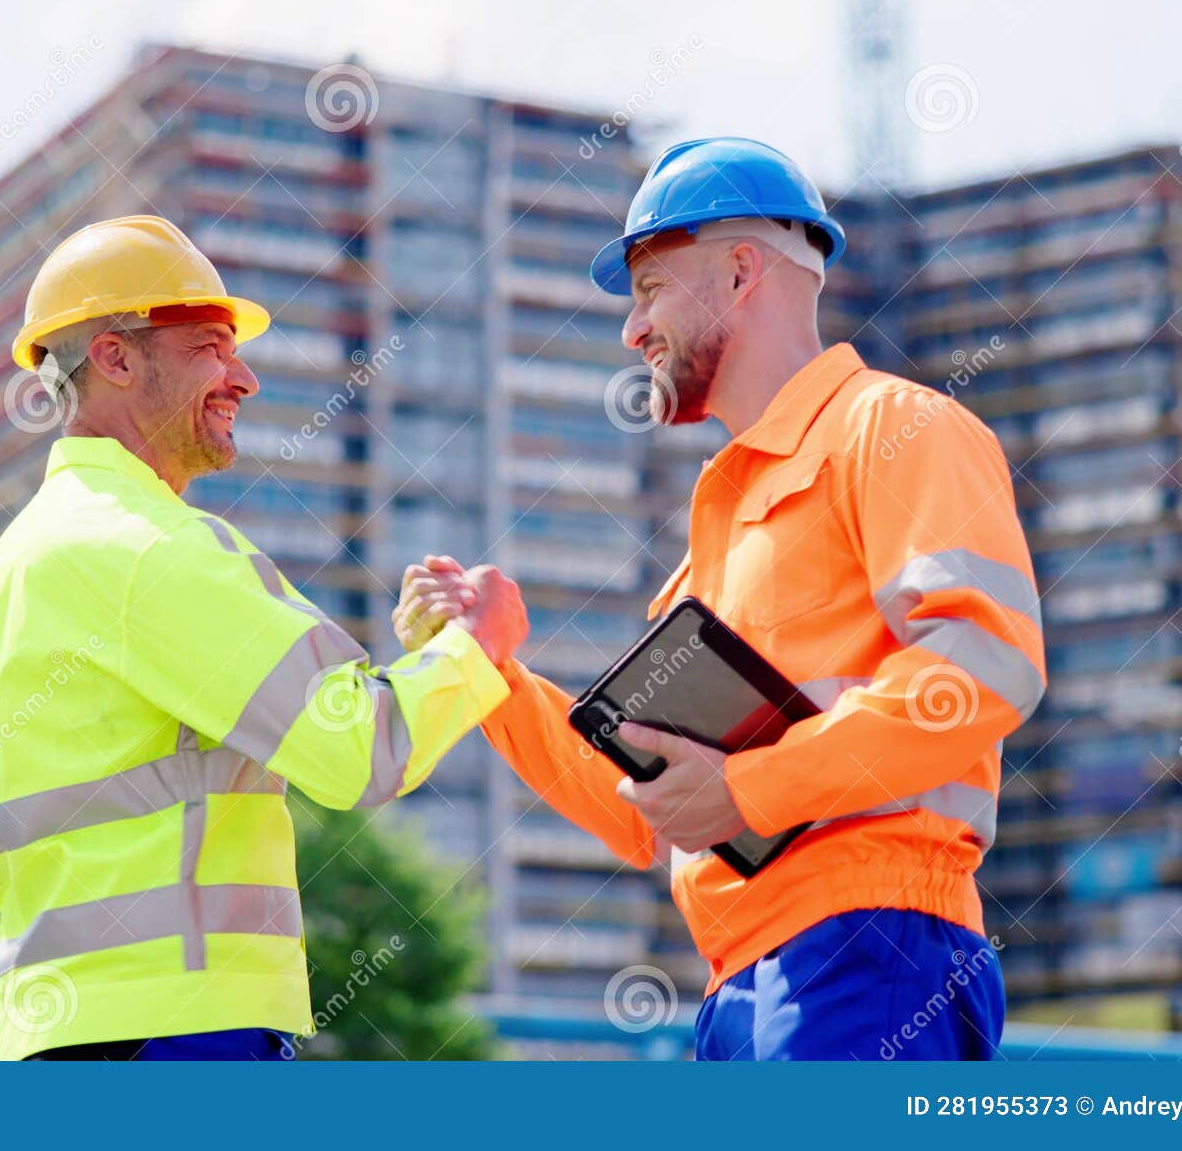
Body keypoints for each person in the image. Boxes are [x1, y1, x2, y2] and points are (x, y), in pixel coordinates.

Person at [395, 139, 1045, 1060]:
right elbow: (641, 807)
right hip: (741, 978)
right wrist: (493, 670)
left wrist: (747, 788)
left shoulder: (895, 430)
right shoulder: (715, 538)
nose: (632, 330)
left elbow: (984, 671)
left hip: (870, 943)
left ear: (740, 273)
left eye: (651, 289)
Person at [0, 215, 527, 1061]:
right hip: (184, 1033)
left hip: (50, 1040)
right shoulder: (151, 547)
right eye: (210, 346)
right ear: (115, 357)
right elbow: (360, 750)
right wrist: (476, 646)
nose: (242, 377)